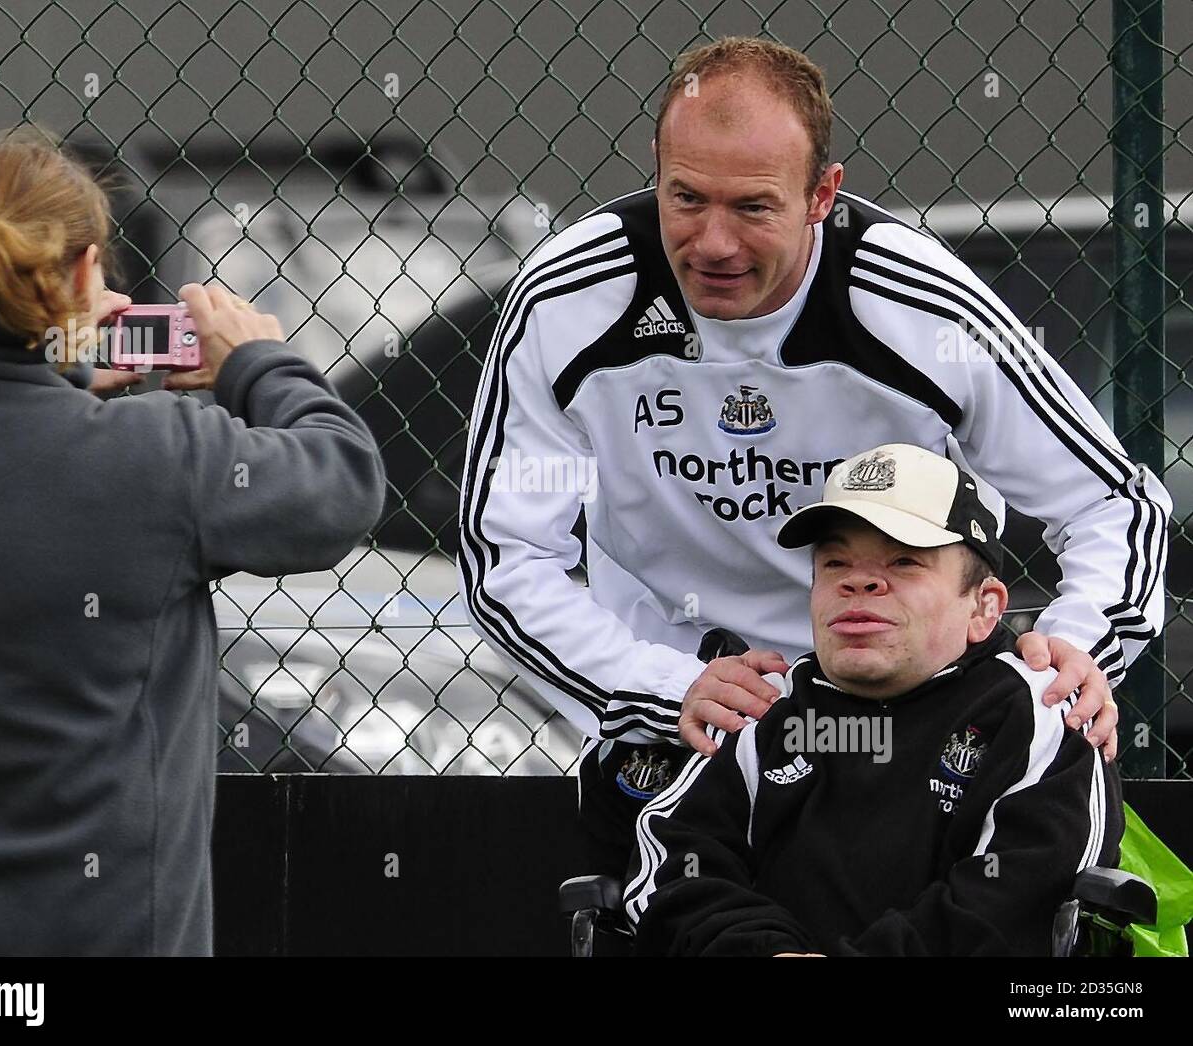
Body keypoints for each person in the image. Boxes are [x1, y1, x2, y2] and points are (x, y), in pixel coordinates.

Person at [456, 36, 1169, 876]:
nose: (713, 242)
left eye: (753, 208)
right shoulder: (567, 296)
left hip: (901, 719)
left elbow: (1114, 502)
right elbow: (505, 558)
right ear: (656, 173)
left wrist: (1076, 649)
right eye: (685, 198)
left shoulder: (917, 303)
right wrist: (656, 684)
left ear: (821, 195)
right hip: (679, 720)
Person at [0, 130, 387, 955]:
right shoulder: (157, 461)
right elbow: (343, 481)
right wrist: (256, 363)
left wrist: (63, 380)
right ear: (88, 273)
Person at [624, 444, 1124, 956]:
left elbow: (1025, 898)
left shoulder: (1042, 708)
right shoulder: (765, 711)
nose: (858, 581)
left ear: (983, 607)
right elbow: (679, 870)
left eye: (905, 561)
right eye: (835, 561)